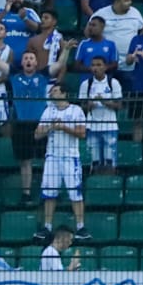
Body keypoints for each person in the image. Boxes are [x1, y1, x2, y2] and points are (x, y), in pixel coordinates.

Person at [33, 85, 92, 244]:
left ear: (64, 92)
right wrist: (51, 127)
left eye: (56, 90)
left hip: (70, 157)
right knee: (49, 192)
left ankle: (81, 227)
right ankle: (47, 226)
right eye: (51, 91)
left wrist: (63, 127)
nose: (52, 93)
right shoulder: (48, 111)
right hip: (52, 156)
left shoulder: (76, 110)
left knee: (75, 192)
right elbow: (37, 134)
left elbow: (82, 133)